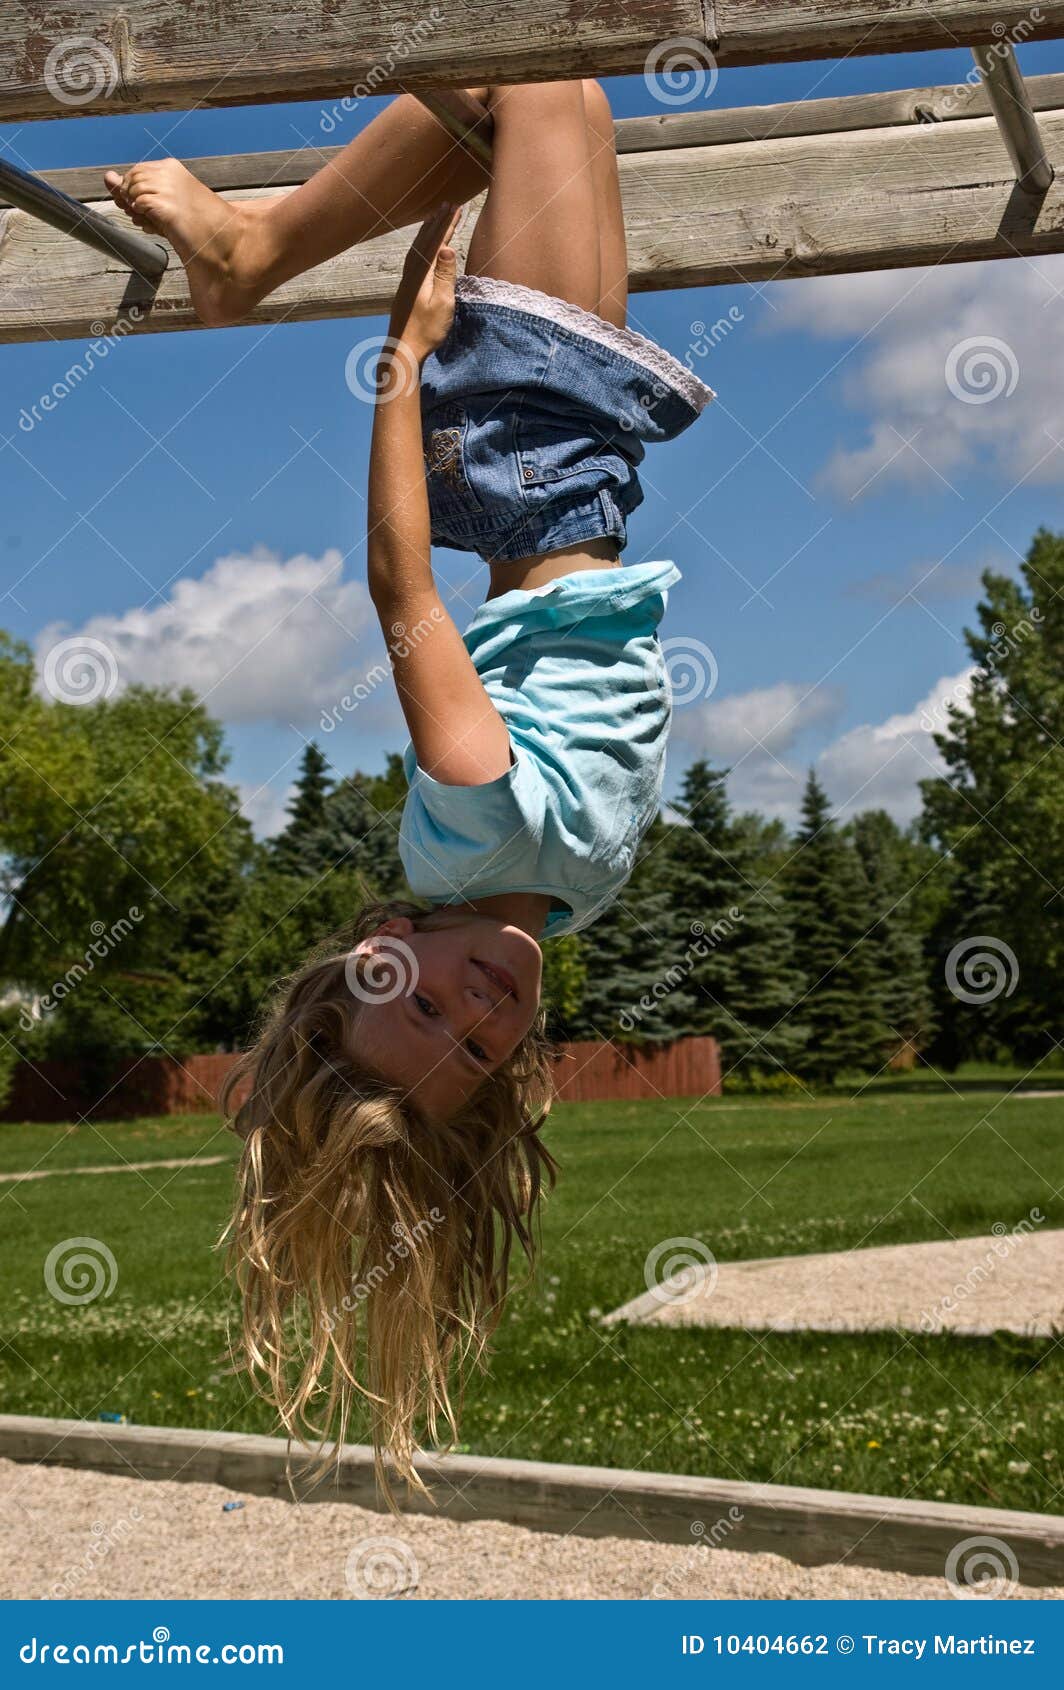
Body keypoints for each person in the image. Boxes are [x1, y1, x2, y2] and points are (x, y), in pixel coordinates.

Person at [107, 82, 712, 1493]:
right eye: (481, 1050)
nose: (480, 1010)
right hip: (590, 463)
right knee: (551, 91)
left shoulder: (478, 829)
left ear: (387, 947)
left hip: (518, 444)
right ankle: (251, 254)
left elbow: (403, 599)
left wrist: (403, 361)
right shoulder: (560, 890)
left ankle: (249, 255)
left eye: (424, 1005)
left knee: (529, 71)